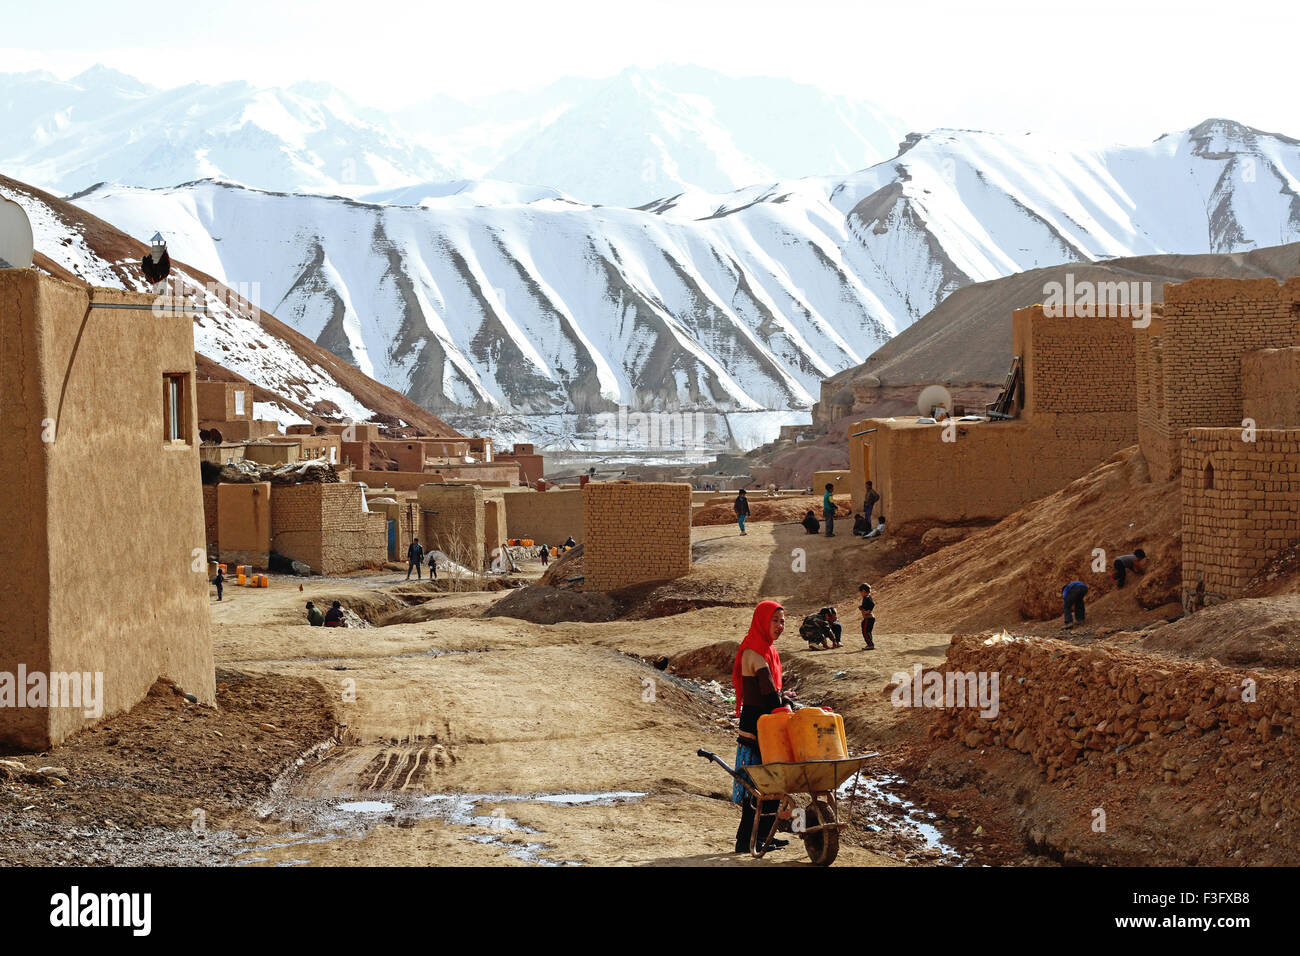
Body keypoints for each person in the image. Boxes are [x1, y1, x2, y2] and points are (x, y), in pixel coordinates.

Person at [730, 600, 796, 853]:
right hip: (755, 729)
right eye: (775, 620)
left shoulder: (769, 650)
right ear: (761, 621)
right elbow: (769, 693)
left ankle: (764, 835)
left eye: (783, 621)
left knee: (773, 784)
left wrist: (786, 702)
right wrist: (786, 704)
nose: (780, 626)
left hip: (769, 728)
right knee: (756, 789)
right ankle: (747, 840)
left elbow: (775, 693)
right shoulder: (754, 649)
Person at [858, 583, 876, 650]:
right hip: (869, 618)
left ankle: (870, 645)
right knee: (867, 631)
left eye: (861, 592)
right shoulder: (866, 597)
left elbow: (872, 604)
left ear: (863, 591)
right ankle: (870, 644)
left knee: (865, 631)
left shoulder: (867, 597)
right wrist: (861, 607)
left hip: (869, 618)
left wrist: (868, 611)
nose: (860, 594)